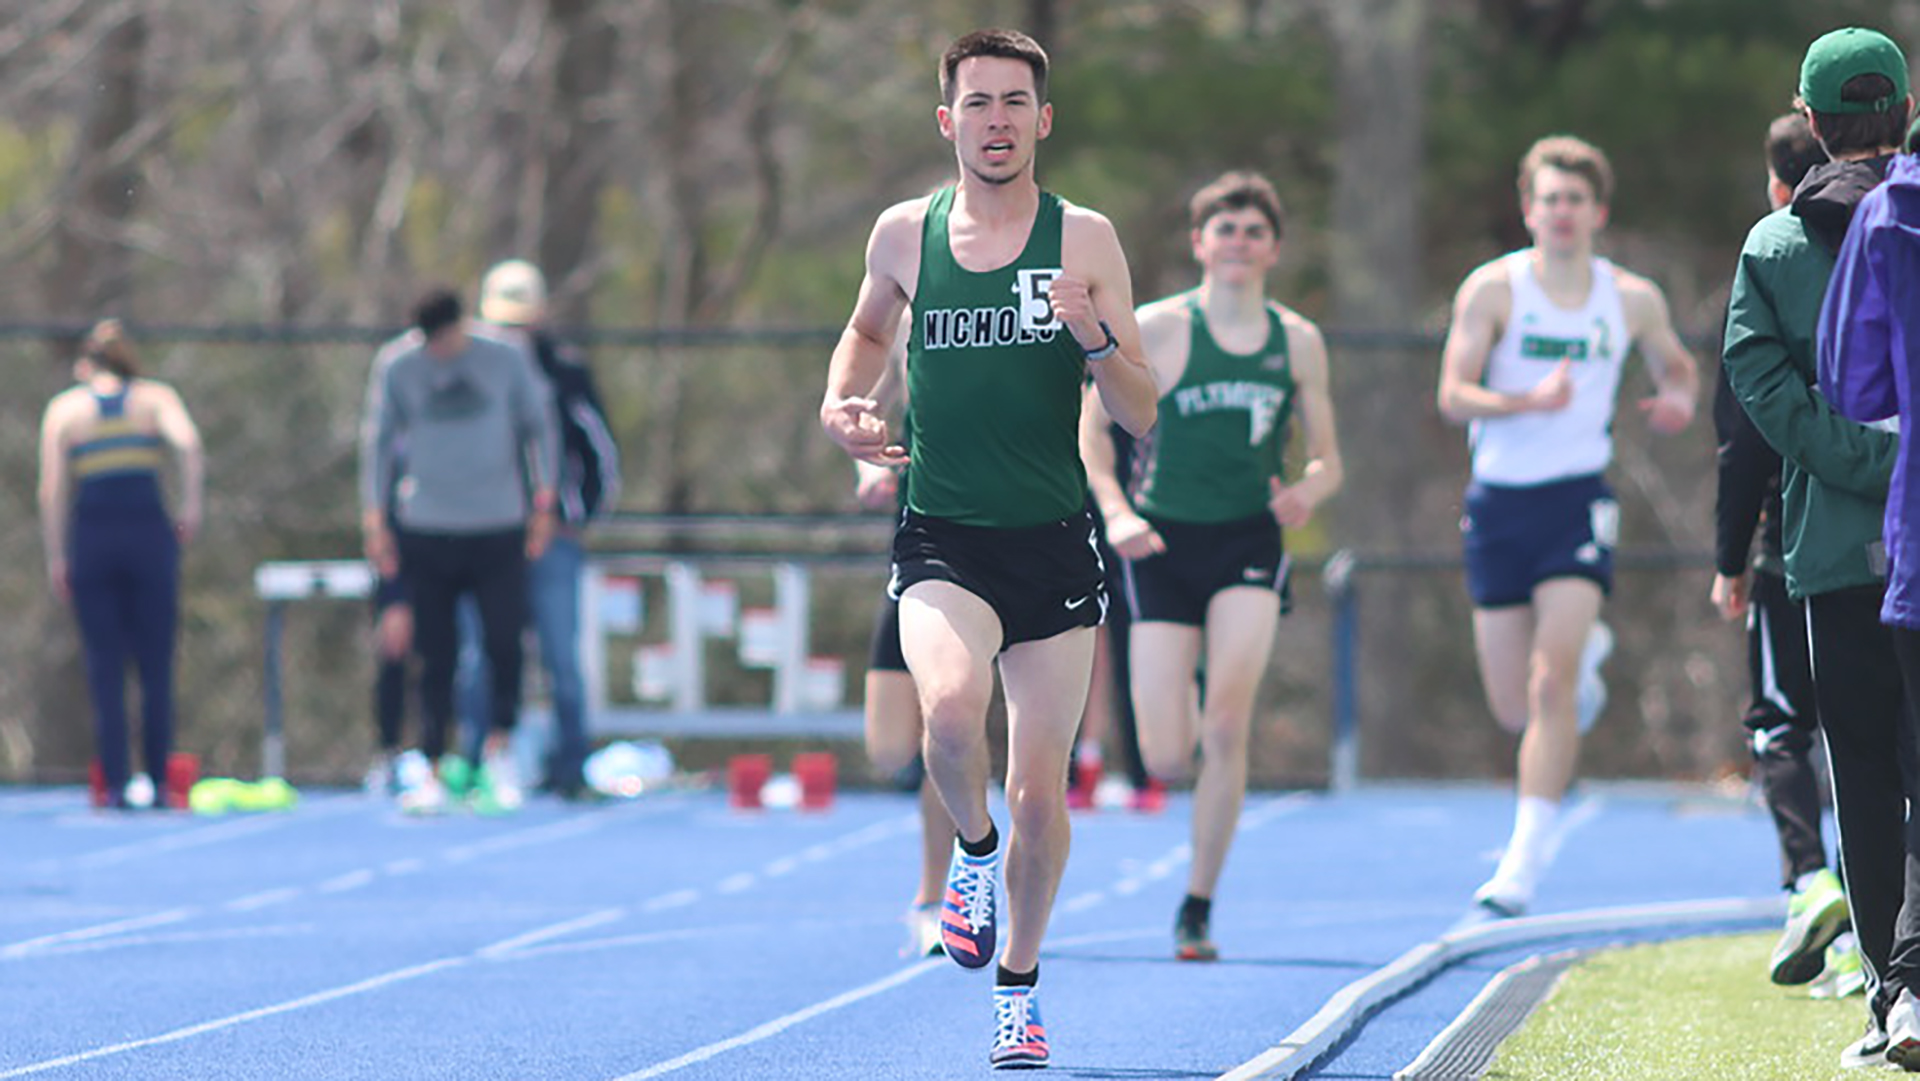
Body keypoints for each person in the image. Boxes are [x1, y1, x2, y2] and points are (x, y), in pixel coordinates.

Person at [819, 28, 1158, 1069]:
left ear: (1042, 120)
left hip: (1056, 544)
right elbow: (868, 336)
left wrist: (1094, 335)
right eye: (979, 103)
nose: (998, 120)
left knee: (1040, 796)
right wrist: (844, 403)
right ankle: (970, 853)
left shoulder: (1085, 239)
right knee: (953, 718)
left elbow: (1144, 409)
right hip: (944, 536)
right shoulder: (903, 234)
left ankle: (1019, 985)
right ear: (948, 119)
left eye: (1016, 102)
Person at [1081, 170, 1344, 961]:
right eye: (1224, 229)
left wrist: (1309, 489)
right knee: (1165, 754)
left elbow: (1330, 457)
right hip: (1161, 542)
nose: (1238, 242)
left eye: (1254, 231)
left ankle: (1197, 902)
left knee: (1229, 721)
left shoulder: (1296, 340)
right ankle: (1177, 732)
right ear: (1199, 243)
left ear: (1274, 248)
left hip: (1248, 542)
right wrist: (1118, 511)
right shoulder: (1157, 326)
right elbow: (1091, 433)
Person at [1436, 135, 1698, 919]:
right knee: (1514, 705)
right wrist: (1524, 403)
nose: (1561, 212)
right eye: (1549, 199)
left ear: (1598, 212)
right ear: (1529, 209)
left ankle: (1522, 858)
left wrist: (1676, 398)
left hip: (1578, 500)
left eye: (1575, 200)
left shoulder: (1630, 298)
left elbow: (1676, 365)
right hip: (1498, 503)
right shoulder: (1495, 289)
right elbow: (1453, 393)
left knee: (1549, 684)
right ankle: (1585, 669)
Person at [1724, 26, 1913, 1068]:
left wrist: (1865, 466)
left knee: (1866, 778)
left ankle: (1892, 997)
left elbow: (1763, 394)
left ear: (1807, 121)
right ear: (1909, 108)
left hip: (1839, 548)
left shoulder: (1778, 245)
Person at [1711, 112, 1855, 994]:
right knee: (1881, 738)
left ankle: (1812, 885)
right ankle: (1887, 950)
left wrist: (1730, 555)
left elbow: (1746, 438)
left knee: (1781, 720)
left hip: (1793, 542)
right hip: (1893, 535)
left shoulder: (1769, 262)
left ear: (1777, 188)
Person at [1816, 48, 1920, 1067]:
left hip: (1907, 541)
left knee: (1895, 774)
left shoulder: (1889, 216)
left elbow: (1850, 384)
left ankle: (1907, 991)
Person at [360, 288, 559, 815]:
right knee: (434, 652)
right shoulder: (398, 364)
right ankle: (430, 761)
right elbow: (378, 440)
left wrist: (543, 502)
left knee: (503, 642)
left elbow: (540, 427)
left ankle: (500, 749)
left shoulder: (505, 357)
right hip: (426, 526)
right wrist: (375, 516)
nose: (437, 351)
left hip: (498, 525)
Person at [452, 260, 621, 801]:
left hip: (552, 543)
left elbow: (600, 452)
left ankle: (571, 765)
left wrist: (576, 519)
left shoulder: (565, 373)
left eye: (522, 323)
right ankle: (475, 760)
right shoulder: (463, 377)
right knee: (478, 656)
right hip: (485, 538)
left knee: (561, 658)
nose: (513, 336)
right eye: (504, 324)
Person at [38, 319, 204, 810]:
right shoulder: (155, 399)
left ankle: (113, 784)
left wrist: (57, 555)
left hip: (93, 536)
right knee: (156, 664)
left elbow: (51, 490)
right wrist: (191, 507)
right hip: (147, 534)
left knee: (104, 667)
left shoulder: (67, 409)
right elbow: (190, 445)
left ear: (86, 364)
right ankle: (156, 781)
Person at [853, 321, 956, 959]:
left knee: (948, 724)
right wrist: (867, 462)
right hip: (917, 553)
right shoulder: (911, 323)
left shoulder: (1025, 311)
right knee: (890, 749)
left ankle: (938, 894)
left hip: (1004, 547)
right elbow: (867, 407)